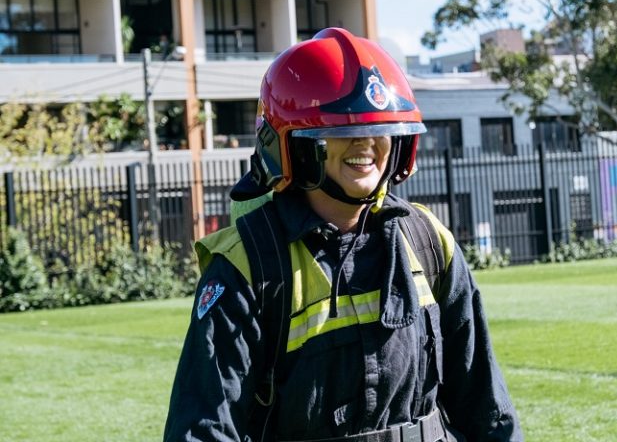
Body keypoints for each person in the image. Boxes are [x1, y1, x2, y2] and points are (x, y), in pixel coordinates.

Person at [164, 27, 523, 442]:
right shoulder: (246, 266)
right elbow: (203, 431)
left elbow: (486, 408)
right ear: (292, 145)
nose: (366, 143)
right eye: (341, 131)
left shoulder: (428, 241)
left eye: (380, 127)